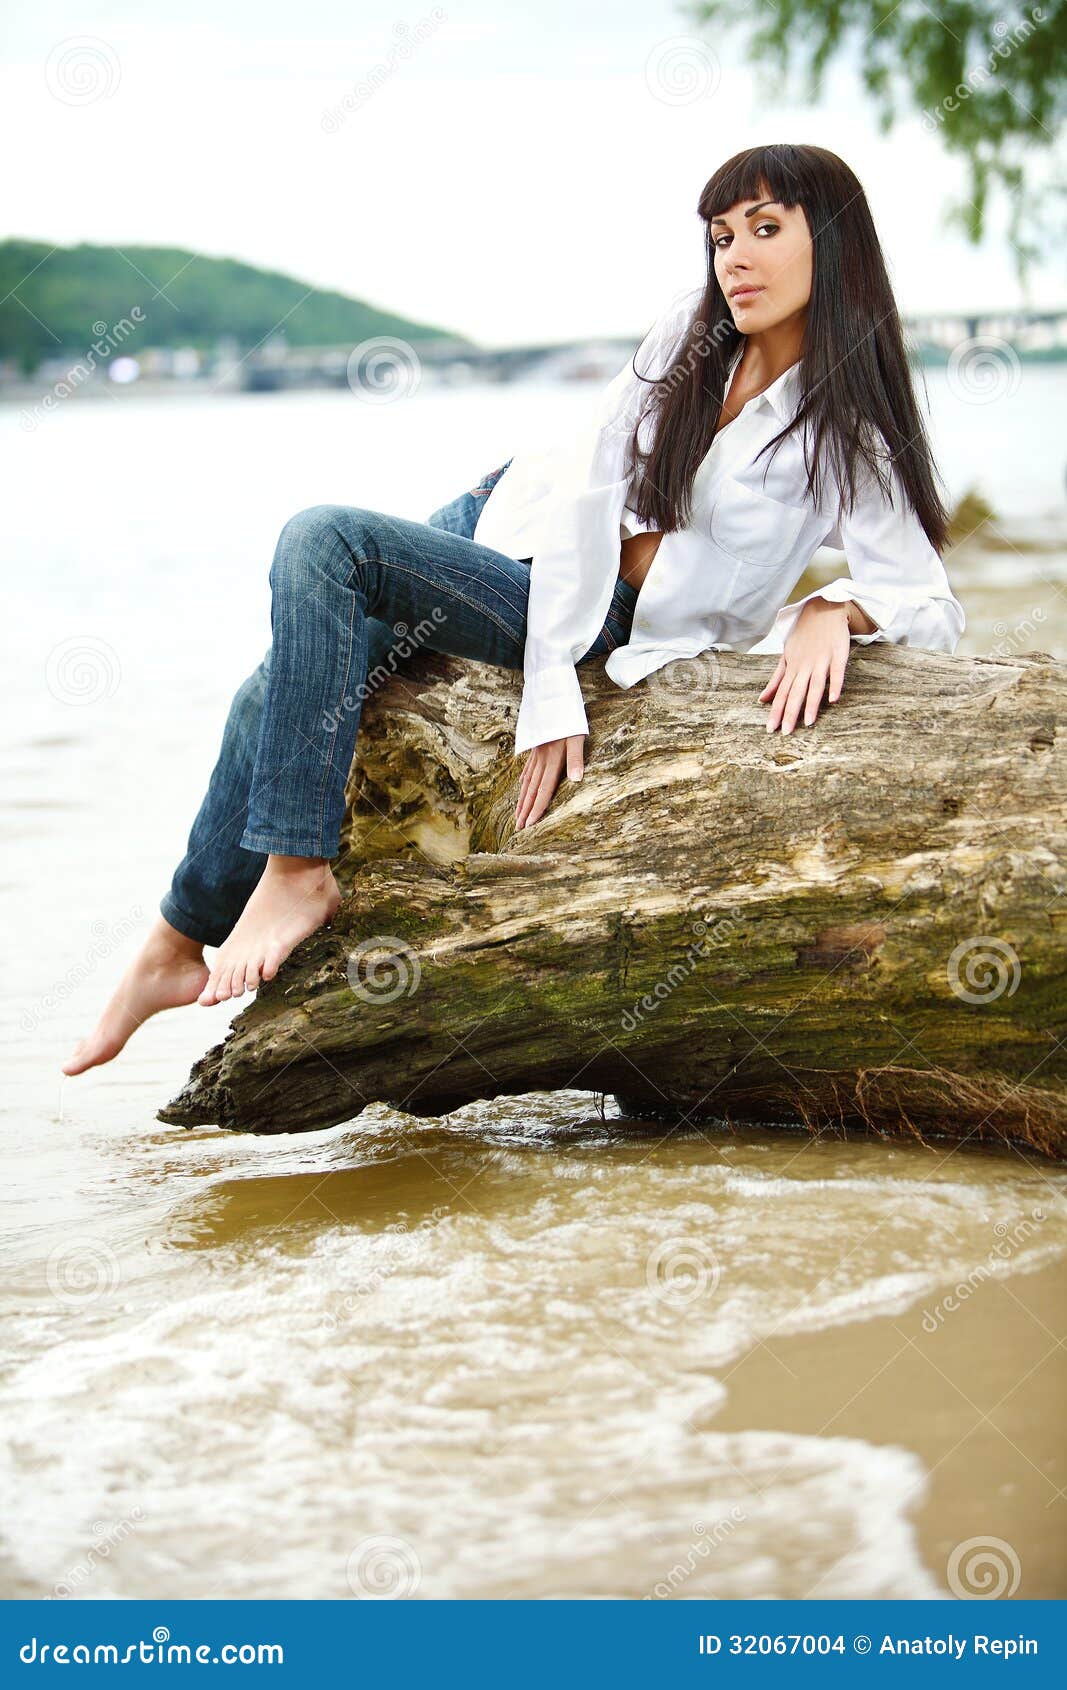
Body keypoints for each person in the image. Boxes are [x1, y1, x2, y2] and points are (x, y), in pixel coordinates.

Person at [62, 142, 964, 1076]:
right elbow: (586, 496)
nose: (733, 257)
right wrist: (548, 691)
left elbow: (926, 602)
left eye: (765, 230)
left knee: (322, 541)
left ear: (837, 242)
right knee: (274, 692)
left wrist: (834, 607)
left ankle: (294, 873)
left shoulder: (846, 429)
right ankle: (175, 944)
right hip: (497, 519)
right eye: (720, 235)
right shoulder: (686, 338)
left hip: (582, 602)